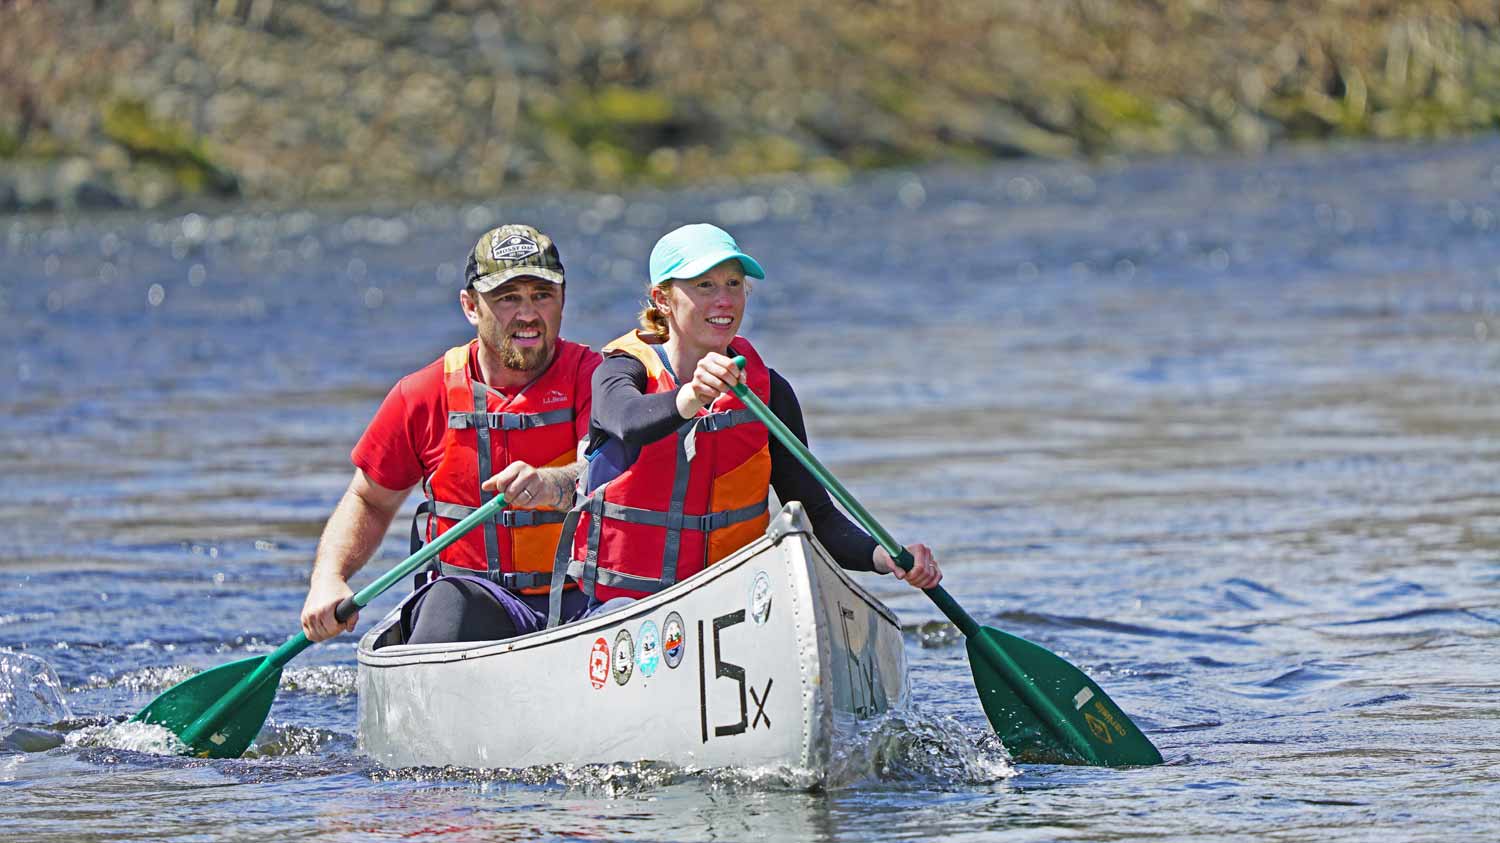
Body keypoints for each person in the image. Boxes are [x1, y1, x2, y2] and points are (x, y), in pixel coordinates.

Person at [551, 223, 939, 618]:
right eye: (705, 286)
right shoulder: (619, 372)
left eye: (734, 284)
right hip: (625, 611)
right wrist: (692, 396)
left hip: (730, 608)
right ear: (662, 299)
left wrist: (885, 557)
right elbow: (627, 420)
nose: (725, 300)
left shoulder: (769, 393)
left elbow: (818, 517)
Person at [300, 224, 602, 645]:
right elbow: (368, 499)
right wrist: (329, 579)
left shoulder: (599, 379)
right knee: (449, 600)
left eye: (542, 295)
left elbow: (607, 473)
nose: (528, 314)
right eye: (508, 298)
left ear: (563, 299)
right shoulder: (421, 394)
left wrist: (550, 483)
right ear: (470, 306)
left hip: (582, 601)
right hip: (475, 601)